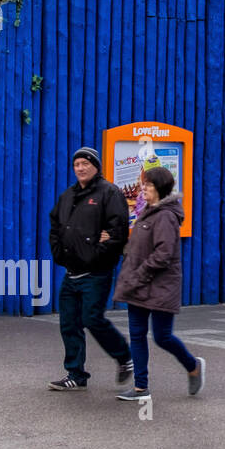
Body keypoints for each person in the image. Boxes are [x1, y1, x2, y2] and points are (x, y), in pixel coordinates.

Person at [112, 165, 205, 401]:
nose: (144, 188)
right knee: (137, 334)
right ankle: (141, 388)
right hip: (140, 285)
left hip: (160, 285)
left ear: (160, 189)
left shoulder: (165, 216)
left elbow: (163, 254)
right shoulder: (148, 211)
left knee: (162, 336)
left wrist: (139, 273)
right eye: (144, 184)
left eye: (149, 185)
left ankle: (193, 365)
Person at [47, 146, 134, 391]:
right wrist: (59, 253)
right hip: (70, 272)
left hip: (96, 273)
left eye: (85, 163)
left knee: (92, 318)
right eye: (76, 164)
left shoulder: (109, 193)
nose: (80, 168)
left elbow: (117, 234)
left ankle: (124, 357)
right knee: (68, 323)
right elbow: (55, 227)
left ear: (96, 166)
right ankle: (75, 374)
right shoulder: (67, 196)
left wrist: (95, 256)